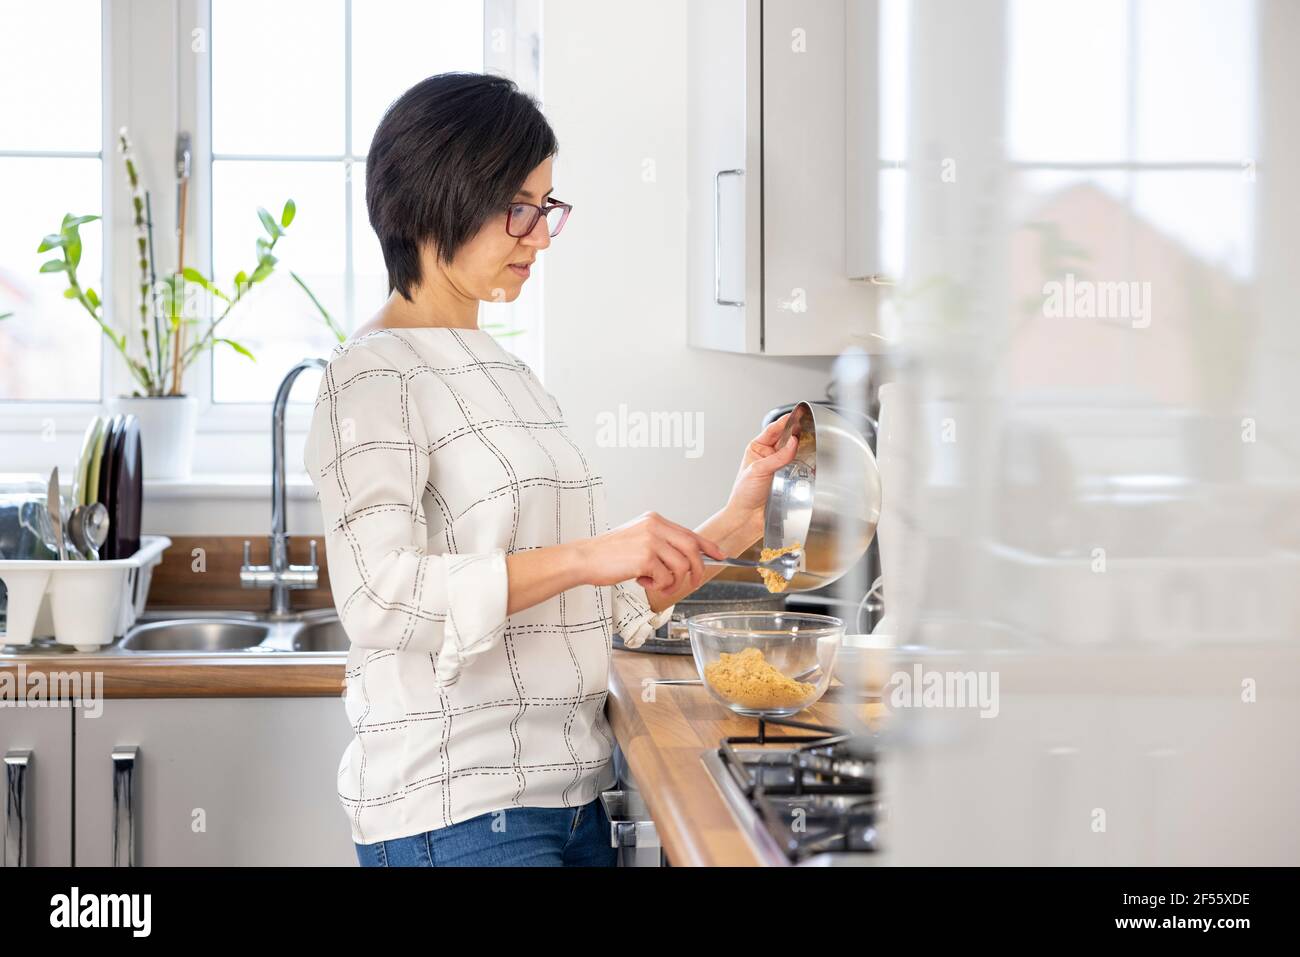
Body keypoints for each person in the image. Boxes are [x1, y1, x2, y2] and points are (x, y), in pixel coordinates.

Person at [303, 72, 796, 866]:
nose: (540, 236)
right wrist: (587, 555)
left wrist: (734, 525)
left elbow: (580, 611)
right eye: (519, 208)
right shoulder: (371, 374)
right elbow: (378, 598)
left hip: (571, 802)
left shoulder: (511, 375)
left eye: (546, 207)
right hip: (455, 812)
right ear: (436, 201)